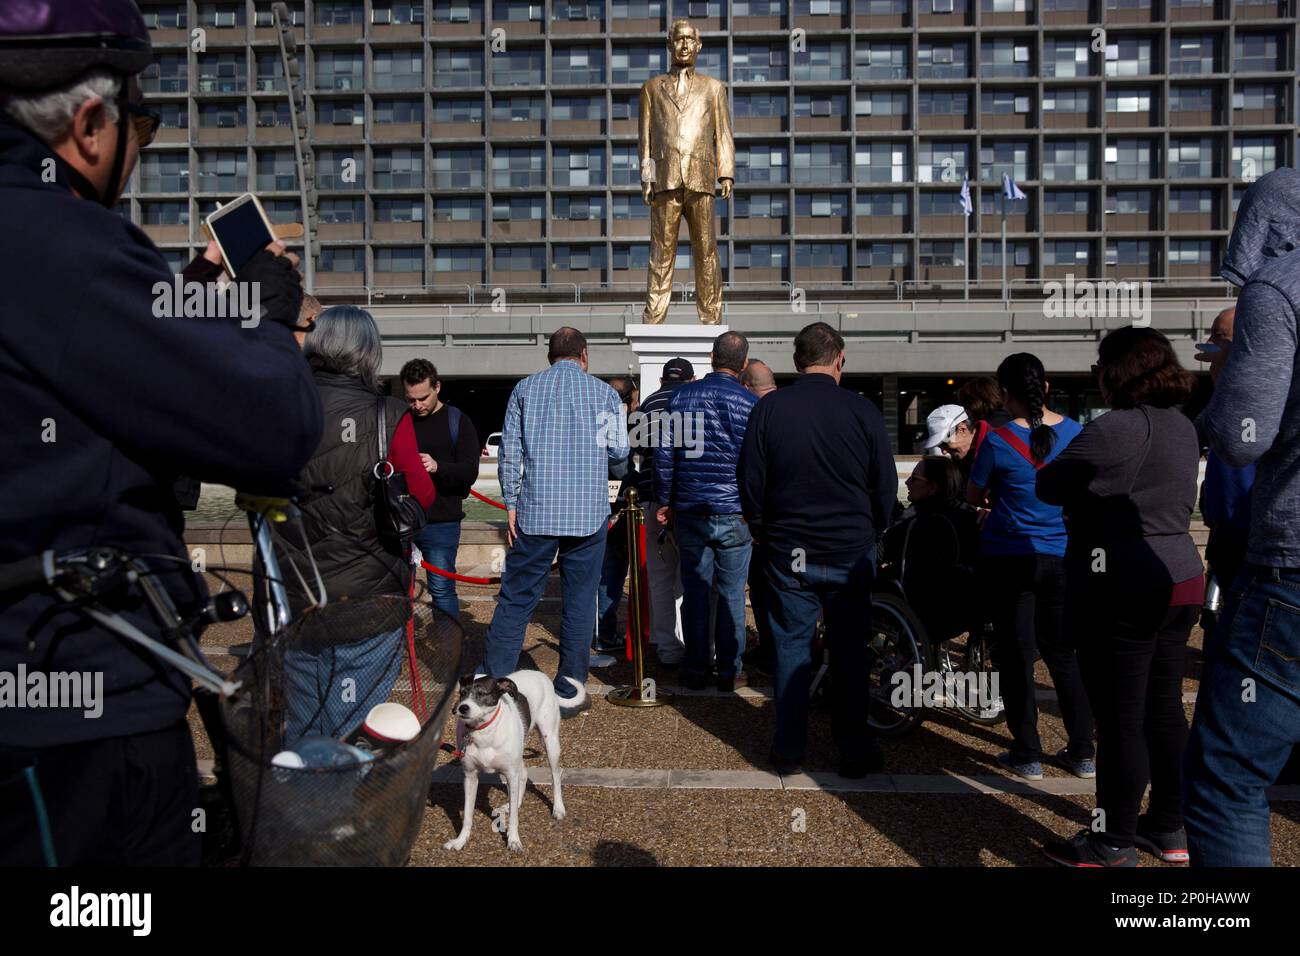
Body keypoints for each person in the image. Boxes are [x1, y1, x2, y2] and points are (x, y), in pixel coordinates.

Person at [0, 2, 323, 866]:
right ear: (91, 124)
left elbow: (104, 361)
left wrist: (194, 290)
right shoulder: (60, 240)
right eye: (143, 120)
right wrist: (267, 301)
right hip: (72, 720)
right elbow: (272, 424)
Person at [1037, 328, 1203, 867]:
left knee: (1120, 718)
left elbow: (1050, 485)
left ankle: (1111, 840)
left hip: (1123, 581)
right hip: (1180, 575)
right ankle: (1169, 827)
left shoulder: (1115, 429)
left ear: (1117, 372)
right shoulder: (1182, 427)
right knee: (1164, 708)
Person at [1184, 168, 1300, 867]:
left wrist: (1225, 388)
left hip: (1291, 562)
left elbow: (1243, 435)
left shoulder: (1279, 286)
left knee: (1226, 777)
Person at [740, 322, 898, 776]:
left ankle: (789, 749)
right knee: (850, 652)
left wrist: (761, 528)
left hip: (789, 548)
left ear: (797, 362)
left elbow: (751, 479)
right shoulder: (862, 411)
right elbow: (884, 484)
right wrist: (877, 527)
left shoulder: (770, 410)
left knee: (792, 649)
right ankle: (853, 749)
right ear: (840, 358)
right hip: (850, 549)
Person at [277, 308, 435, 741]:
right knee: (353, 724)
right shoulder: (387, 414)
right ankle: (346, 800)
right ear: (369, 352)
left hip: (298, 588)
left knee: (304, 719)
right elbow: (422, 495)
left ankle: (304, 799)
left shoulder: (283, 406)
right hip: (369, 591)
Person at [482, 328, 629, 710]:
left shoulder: (525, 390)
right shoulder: (605, 395)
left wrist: (511, 504)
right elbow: (618, 454)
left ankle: (492, 684)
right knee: (579, 601)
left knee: (516, 599)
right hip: (588, 513)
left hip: (535, 512)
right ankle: (569, 690)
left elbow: (509, 454)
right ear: (584, 355)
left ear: (550, 356)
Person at [966, 352, 1094, 782]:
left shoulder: (998, 440)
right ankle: (1082, 750)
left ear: (1005, 394)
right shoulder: (1077, 434)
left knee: (1016, 656)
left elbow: (973, 494)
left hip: (1010, 556)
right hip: (1062, 555)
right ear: (1047, 387)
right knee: (1064, 656)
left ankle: (1027, 753)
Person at [655, 332, 756, 690]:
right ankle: (729, 669)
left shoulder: (680, 398)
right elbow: (755, 463)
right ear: (743, 363)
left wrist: (666, 500)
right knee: (731, 593)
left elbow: (665, 454)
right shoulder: (750, 402)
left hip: (693, 506)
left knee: (696, 590)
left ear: (712, 357)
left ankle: (695, 668)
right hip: (734, 509)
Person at [638, 18, 734, 325]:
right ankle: (654, 316)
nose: (684, 46)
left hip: (701, 177)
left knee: (706, 251)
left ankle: (711, 316)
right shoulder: (652, 88)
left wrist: (726, 173)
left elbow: (724, 133)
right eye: (679, 40)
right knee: (661, 252)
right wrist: (646, 178)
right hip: (665, 178)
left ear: (699, 45)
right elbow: (646, 139)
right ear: (670, 45)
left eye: (690, 40)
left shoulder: (714, 88)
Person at [401, 358, 480, 622]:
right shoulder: (400, 420)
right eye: (411, 399)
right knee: (399, 589)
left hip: (442, 521)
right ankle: (398, 648)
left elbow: (470, 471)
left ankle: (448, 648)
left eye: (422, 398)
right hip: (403, 520)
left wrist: (438, 467)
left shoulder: (459, 421)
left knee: (442, 588)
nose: (417, 405)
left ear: (437, 387)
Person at [1194, 307, 1255, 636]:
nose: (1208, 345)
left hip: (1250, 536)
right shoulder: (1223, 402)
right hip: (1225, 532)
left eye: (1218, 337)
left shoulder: (1255, 400)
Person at [632, 358, 695, 667]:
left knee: (659, 578)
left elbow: (636, 451)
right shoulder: (695, 400)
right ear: (692, 378)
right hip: (689, 500)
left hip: (652, 497)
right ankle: (698, 646)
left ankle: (667, 647)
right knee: (693, 576)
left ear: (661, 379)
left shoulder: (646, 405)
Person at [880, 456, 981, 648]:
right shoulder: (971, 515)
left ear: (932, 488)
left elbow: (881, 552)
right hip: (965, 610)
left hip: (921, 610)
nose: (908, 482)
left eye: (914, 479)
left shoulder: (915, 520)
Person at [594, 376, 640, 663]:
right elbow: (621, 466)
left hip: (591, 506)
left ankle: (595, 631)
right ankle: (605, 634)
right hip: (616, 508)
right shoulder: (615, 425)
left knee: (596, 573)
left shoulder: (590, 420)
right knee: (611, 573)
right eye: (634, 400)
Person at [740, 359, 778, 675]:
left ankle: (771, 648)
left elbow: (753, 472)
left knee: (764, 588)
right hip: (799, 516)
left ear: (748, 387)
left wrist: (754, 519)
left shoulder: (758, 412)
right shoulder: (792, 406)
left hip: (768, 519)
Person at [958, 375, 1012, 462]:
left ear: (973, 402)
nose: (964, 409)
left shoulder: (980, 428)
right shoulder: (1015, 419)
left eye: (965, 404)